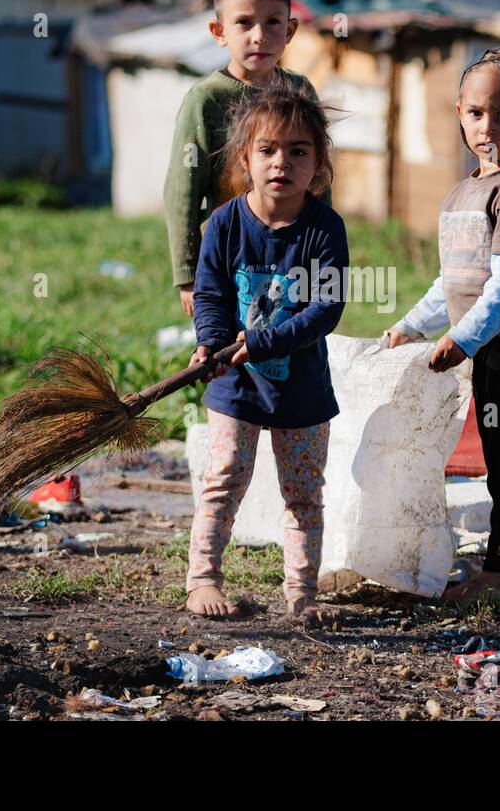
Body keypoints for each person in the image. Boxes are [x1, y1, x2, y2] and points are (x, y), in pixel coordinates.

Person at [385, 48, 500, 603]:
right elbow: (453, 280)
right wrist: (412, 326)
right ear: (459, 113)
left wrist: (463, 338)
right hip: (484, 353)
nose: (488, 127)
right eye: (477, 113)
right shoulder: (466, 189)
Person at [186, 85, 348, 623]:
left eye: (299, 151)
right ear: (244, 159)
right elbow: (209, 293)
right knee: (224, 478)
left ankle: (302, 594)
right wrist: (210, 340)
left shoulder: (324, 230)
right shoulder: (225, 225)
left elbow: (325, 308)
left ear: (318, 164)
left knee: (303, 494)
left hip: (300, 389)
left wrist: (260, 342)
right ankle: (203, 579)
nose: (283, 162)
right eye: (268, 150)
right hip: (234, 386)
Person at [163, 0, 319, 318]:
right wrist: (188, 274)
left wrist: (319, 251)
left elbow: (318, 175)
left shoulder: (300, 91)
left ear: (291, 30)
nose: (259, 35)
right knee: (225, 353)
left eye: (273, 22)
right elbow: (182, 190)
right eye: (244, 23)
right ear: (219, 31)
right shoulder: (206, 100)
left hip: (291, 252)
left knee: (288, 348)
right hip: (227, 255)